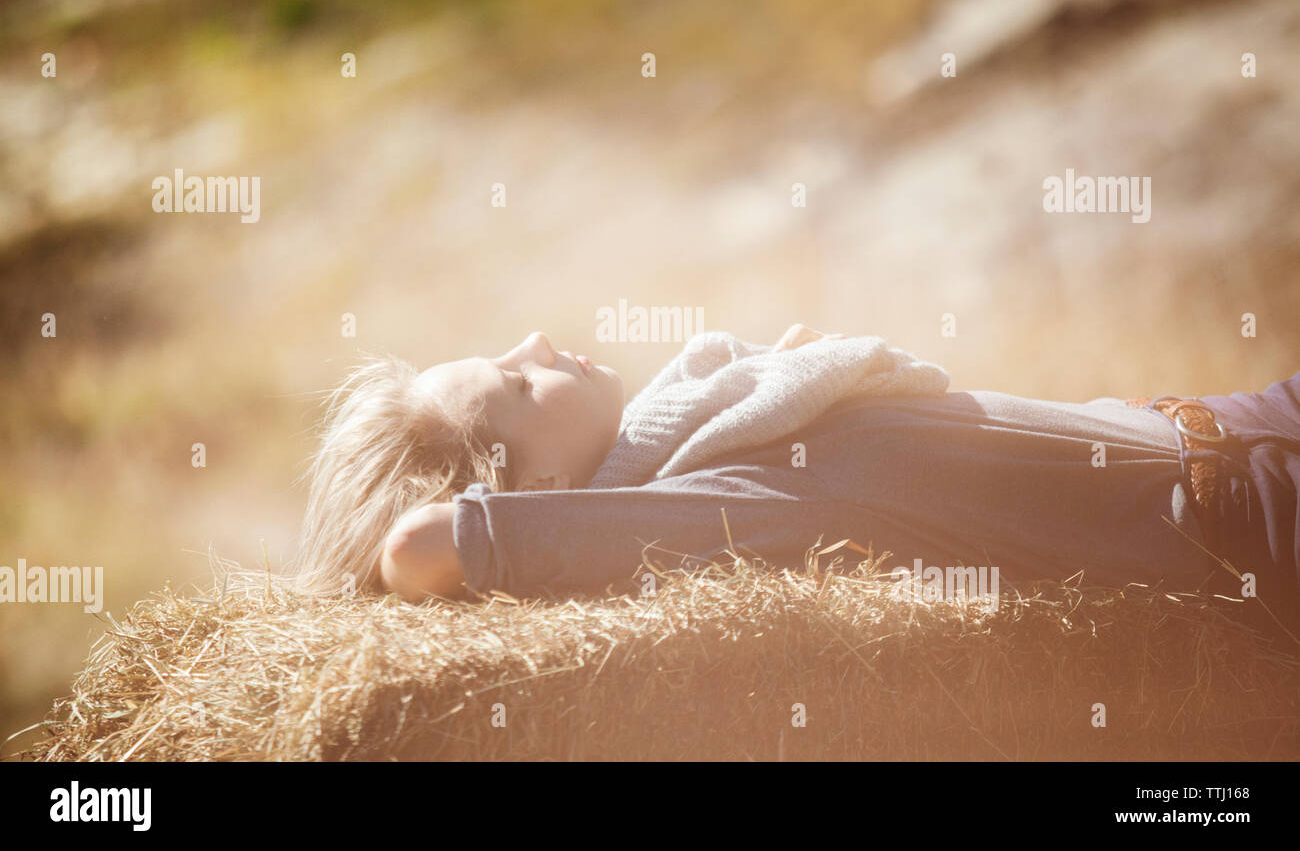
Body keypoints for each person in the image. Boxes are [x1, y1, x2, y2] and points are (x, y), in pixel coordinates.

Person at [292, 326, 1300, 631]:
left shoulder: (720, 431)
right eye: (516, 378)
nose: (539, 341)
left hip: (1243, 424)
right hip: (1267, 508)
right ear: (542, 483)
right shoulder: (706, 503)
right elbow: (421, 549)